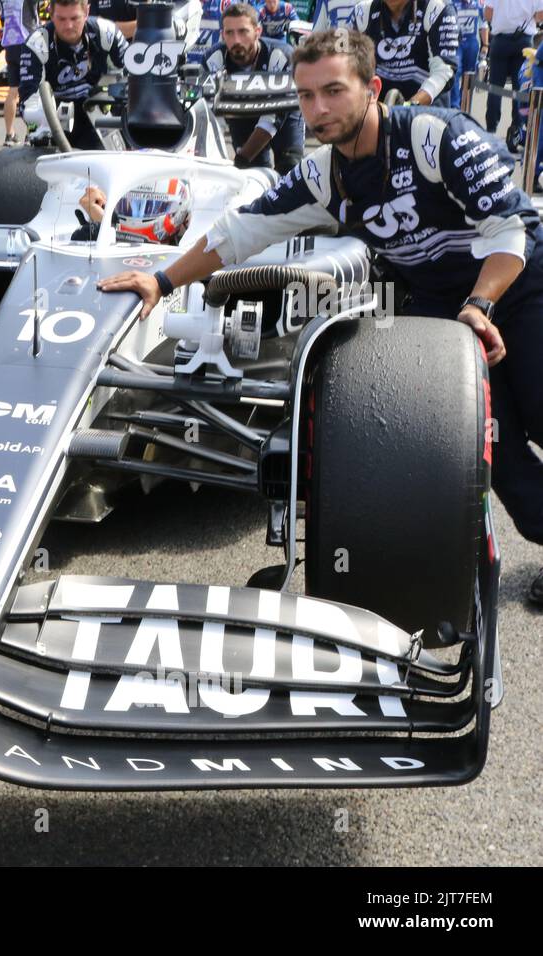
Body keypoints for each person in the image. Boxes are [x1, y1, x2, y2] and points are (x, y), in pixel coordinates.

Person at [97, 27, 543, 607]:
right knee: (495, 451)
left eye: (334, 91)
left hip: (519, 283)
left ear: (372, 89)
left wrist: (481, 303)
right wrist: (160, 281)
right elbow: (239, 233)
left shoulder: (436, 137)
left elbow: (512, 226)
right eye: (307, 96)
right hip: (443, 307)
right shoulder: (321, 174)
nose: (318, 109)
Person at [201, 2, 303, 171]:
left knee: (290, 167)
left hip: (284, 112)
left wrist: (243, 157)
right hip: (239, 112)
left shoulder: (282, 56)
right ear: (222, 35)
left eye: (243, 32)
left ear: (258, 32)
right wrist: (219, 163)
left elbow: (274, 117)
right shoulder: (213, 58)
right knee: (249, 172)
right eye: (229, 33)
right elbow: (212, 117)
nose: (236, 40)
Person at [16, 0, 129, 150]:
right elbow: (28, 103)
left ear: (87, 12)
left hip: (96, 113)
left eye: (74, 18)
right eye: (61, 19)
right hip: (54, 121)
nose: (68, 26)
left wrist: (109, 93)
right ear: (50, 14)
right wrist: (45, 119)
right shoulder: (36, 43)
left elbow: (131, 75)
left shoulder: (106, 32)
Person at [356, 0, 458, 106]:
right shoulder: (362, 12)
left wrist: (409, 106)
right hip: (378, 107)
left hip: (426, 109)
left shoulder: (438, 8)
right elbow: (348, 64)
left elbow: (444, 71)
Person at [483, 0, 543, 141]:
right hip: (524, 39)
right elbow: (540, 15)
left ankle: (491, 130)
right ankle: (517, 130)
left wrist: (504, 18)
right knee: (520, 88)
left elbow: (488, 14)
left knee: (495, 88)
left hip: (500, 40)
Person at [0, 0, 41, 144]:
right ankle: (31, 133)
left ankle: (9, 134)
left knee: (13, 91)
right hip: (28, 43)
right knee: (31, 91)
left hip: (10, 44)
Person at [450, 0, 488, 107]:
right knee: (455, 72)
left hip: (472, 43)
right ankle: (454, 105)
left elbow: (483, 24)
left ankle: (465, 106)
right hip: (456, 42)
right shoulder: (451, 2)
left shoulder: (478, 3)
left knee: (469, 76)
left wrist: (485, 44)